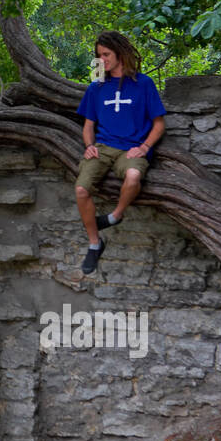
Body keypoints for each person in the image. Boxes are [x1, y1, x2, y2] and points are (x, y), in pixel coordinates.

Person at [75, 30, 166, 274]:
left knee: (134, 176)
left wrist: (145, 147)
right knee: (82, 189)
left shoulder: (143, 83)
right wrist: (89, 146)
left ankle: (115, 216)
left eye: (106, 54)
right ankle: (95, 244)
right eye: (98, 55)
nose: (101, 59)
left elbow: (159, 124)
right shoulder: (96, 87)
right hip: (103, 147)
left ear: (120, 53)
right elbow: (88, 126)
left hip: (132, 148)